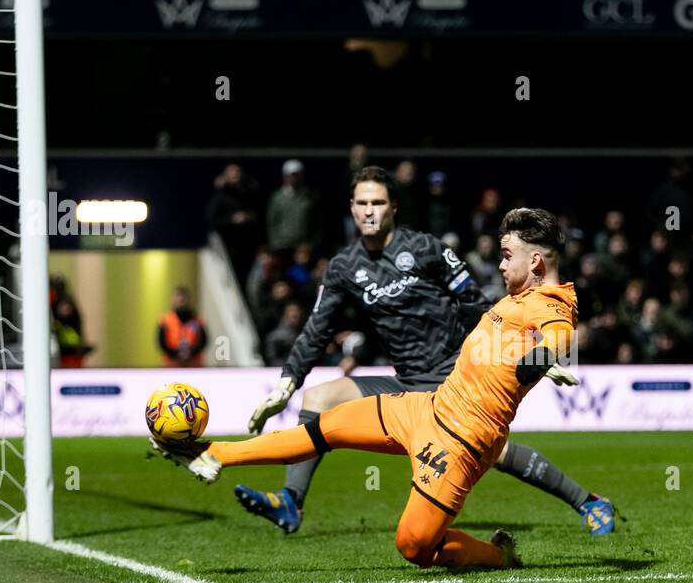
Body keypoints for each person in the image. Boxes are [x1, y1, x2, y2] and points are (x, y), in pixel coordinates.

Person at [151, 209, 587, 570]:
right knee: (323, 429)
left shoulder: (552, 304)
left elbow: (560, 337)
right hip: (426, 407)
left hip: (460, 443)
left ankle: (499, 556)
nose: (500, 263)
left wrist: (544, 358)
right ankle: (214, 455)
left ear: (535, 263)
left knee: (414, 547)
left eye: (507, 255)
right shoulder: (515, 295)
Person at [228, 169, 615, 537]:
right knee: (318, 397)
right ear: (350, 207)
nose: (369, 210)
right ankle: (291, 501)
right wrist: (286, 383)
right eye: (361, 202)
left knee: (496, 453)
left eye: (378, 202)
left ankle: (588, 501)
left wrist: (533, 354)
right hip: (405, 378)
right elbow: (316, 330)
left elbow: (474, 303)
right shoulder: (344, 266)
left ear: (393, 206)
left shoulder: (426, 248)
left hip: (451, 375)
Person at [158, 287, 207, 367]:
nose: (181, 301)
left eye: (183, 299)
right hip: (171, 364)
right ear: (173, 300)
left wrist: (190, 353)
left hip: (193, 364)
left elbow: (203, 341)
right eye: (178, 298)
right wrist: (176, 354)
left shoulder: (197, 320)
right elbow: (162, 343)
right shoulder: (165, 320)